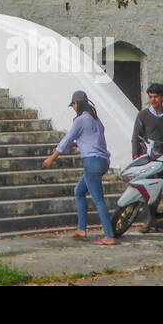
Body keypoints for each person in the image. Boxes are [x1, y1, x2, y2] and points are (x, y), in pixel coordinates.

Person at [43, 89, 115, 244]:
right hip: (103, 161)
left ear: (77, 104)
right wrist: (79, 143)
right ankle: (81, 229)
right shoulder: (96, 119)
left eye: (73, 105)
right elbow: (92, 139)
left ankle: (109, 236)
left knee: (98, 200)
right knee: (79, 191)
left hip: (92, 162)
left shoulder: (80, 120)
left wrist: (51, 158)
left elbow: (67, 139)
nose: (73, 108)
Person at [132, 82, 163, 158]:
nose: (153, 100)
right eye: (150, 97)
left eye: (156, 97)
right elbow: (136, 137)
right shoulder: (142, 115)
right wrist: (135, 156)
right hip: (147, 159)